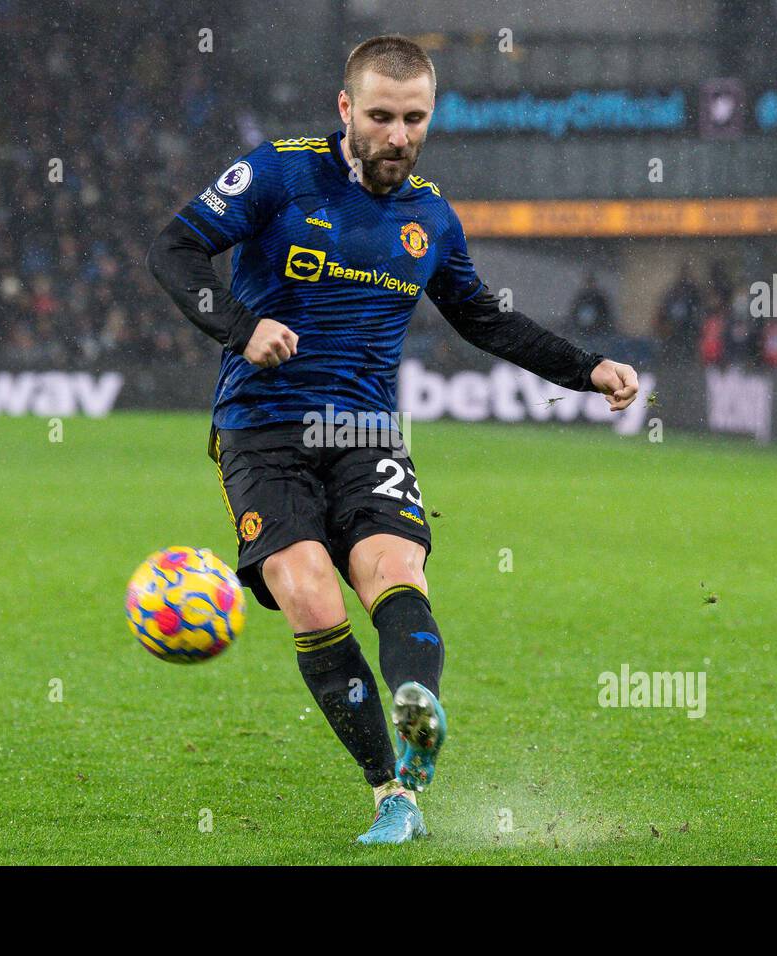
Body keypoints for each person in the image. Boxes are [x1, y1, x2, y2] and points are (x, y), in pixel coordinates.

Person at [147, 34, 638, 845]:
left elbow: (484, 319)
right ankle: (388, 791)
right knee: (309, 589)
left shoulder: (431, 219)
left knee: (393, 569)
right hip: (261, 429)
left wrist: (588, 370)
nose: (397, 136)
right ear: (346, 109)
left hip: (364, 428)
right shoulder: (278, 172)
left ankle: (416, 722)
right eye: (380, 116)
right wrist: (241, 327)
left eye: (414, 119)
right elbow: (173, 247)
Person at [567, 272, 615, 337]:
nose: (589, 285)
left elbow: (606, 315)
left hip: (596, 333)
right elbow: (574, 314)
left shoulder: (599, 299)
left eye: (591, 283)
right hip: (584, 333)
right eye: (588, 283)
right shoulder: (581, 297)